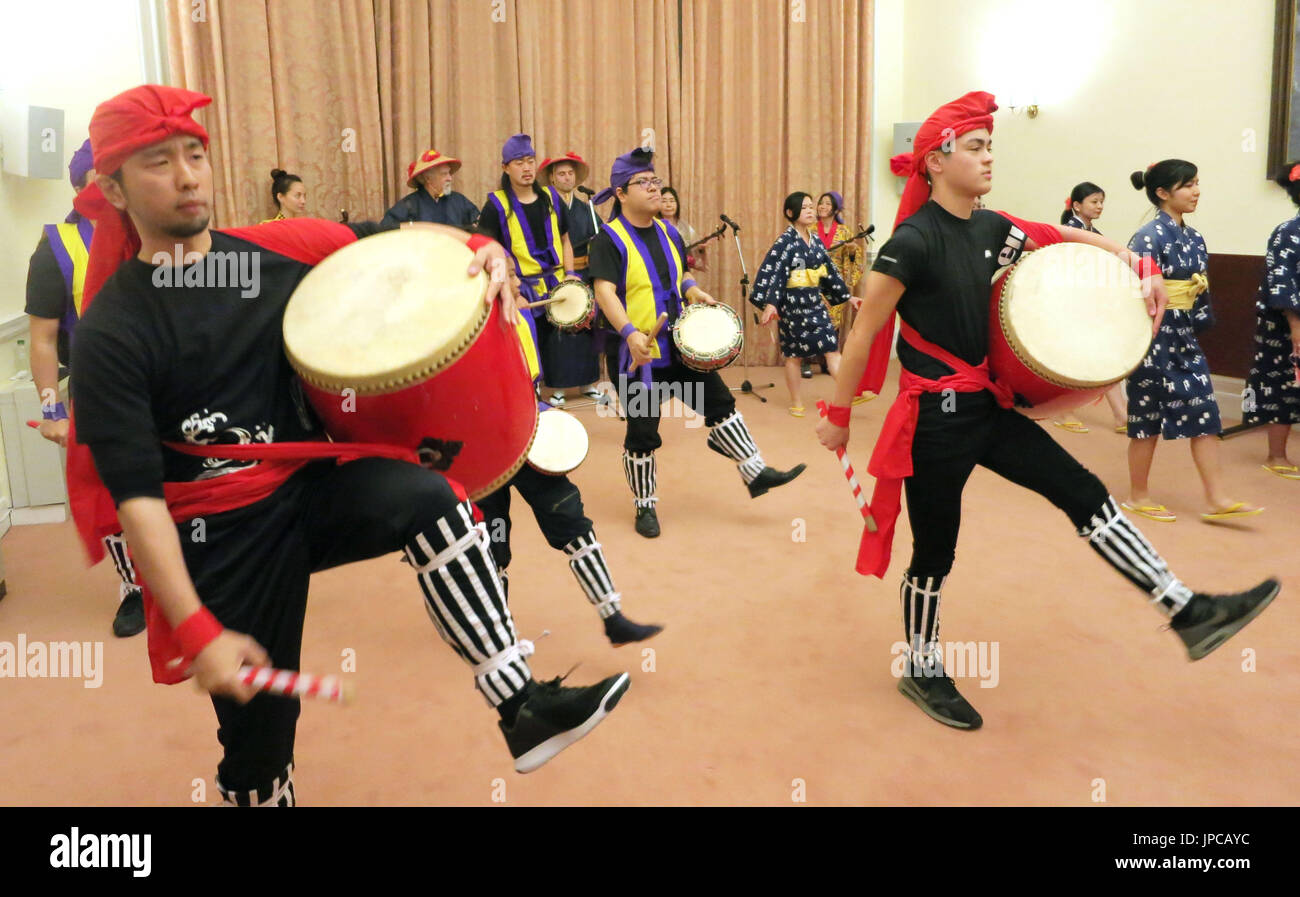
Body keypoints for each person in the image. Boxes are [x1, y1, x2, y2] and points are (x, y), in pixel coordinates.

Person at [67, 85, 630, 802]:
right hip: (220, 538)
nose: (186, 174)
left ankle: (520, 706)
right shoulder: (116, 330)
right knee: (261, 750)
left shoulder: (270, 255)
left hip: (306, 492)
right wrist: (196, 626)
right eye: (157, 162)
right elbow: (138, 497)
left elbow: (406, 246)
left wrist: (485, 250)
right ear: (112, 188)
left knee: (432, 494)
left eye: (195, 153)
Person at [815, 91, 1279, 730]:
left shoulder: (993, 227)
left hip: (987, 408)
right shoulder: (911, 243)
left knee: (1083, 490)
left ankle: (1185, 609)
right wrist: (838, 414)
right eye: (975, 146)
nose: (987, 157)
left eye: (988, 146)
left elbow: (1067, 234)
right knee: (934, 553)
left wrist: (1137, 263)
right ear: (935, 159)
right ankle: (920, 668)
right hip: (934, 421)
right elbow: (865, 331)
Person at [589, 147, 806, 538]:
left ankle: (755, 472)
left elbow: (676, 277)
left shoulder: (669, 232)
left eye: (656, 181)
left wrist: (694, 291)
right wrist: (630, 333)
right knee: (642, 433)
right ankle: (644, 505)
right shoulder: (607, 240)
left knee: (721, 403)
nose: (655, 189)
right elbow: (604, 292)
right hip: (638, 355)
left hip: (678, 344)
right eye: (645, 183)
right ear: (621, 193)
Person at [477, 273, 663, 646]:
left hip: (530, 437)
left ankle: (612, 616)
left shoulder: (525, 316)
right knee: (490, 541)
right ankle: (497, 633)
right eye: (507, 274)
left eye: (514, 273)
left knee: (572, 521)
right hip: (484, 452)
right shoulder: (464, 331)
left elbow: (573, 323)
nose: (516, 282)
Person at [24, 138, 144, 637]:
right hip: (98, 392)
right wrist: (52, 408)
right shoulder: (55, 246)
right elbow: (43, 337)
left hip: (164, 382)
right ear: (86, 184)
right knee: (108, 496)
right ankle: (135, 586)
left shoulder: (151, 230)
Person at [1123, 160, 1262, 523]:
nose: (1196, 191)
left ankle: (1216, 497)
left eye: (1197, 183)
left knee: (1205, 410)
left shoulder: (1195, 237)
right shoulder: (1146, 237)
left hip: (1182, 336)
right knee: (1146, 418)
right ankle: (1138, 495)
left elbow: (1198, 288)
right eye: (1187, 185)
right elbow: (1131, 293)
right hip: (1152, 337)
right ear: (1162, 193)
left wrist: (1198, 322)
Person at [478, 135, 577, 408]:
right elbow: (490, 253)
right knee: (526, 343)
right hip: (522, 287)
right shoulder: (496, 205)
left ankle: (560, 389)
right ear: (505, 168)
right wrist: (511, 290)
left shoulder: (550, 197)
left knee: (562, 342)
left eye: (530, 161)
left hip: (557, 282)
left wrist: (570, 276)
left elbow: (566, 239)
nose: (527, 168)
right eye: (519, 162)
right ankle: (529, 397)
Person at [750, 192, 852, 417]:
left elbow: (827, 272)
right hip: (792, 306)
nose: (810, 210)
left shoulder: (815, 240)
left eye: (810, 206)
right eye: (804, 207)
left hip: (815, 303)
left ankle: (848, 393)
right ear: (790, 213)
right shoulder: (785, 241)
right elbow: (774, 273)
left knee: (832, 348)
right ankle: (796, 401)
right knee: (794, 356)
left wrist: (847, 297)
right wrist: (771, 304)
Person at [1055, 181, 1127, 434]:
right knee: (1069, 357)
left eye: (1101, 202)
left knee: (1107, 357)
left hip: (1093, 302)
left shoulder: (1094, 233)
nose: (1100, 207)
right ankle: (1063, 410)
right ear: (1077, 205)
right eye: (1094, 202)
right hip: (1071, 301)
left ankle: (1121, 414)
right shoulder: (1067, 231)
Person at [1244, 162, 1300, 479]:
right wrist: (1295, 326)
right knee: (1284, 386)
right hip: (1286, 323)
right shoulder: (1287, 233)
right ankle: (1276, 454)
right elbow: (1282, 281)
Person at [537, 151, 603, 403]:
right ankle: (558, 387)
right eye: (561, 173)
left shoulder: (587, 208)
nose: (567, 177)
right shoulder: (545, 207)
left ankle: (588, 382)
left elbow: (600, 237)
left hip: (583, 274)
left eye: (570, 173)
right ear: (552, 178)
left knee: (585, 328)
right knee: (558, 331)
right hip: (555, 275)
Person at [811, 191, 866, 381]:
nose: (822, 206)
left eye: (827, 204)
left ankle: (827, 362)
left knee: (832, 322)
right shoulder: (809, 229)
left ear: (835, 209)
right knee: (809, 319)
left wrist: (851, 253)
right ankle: (805, 360)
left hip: (833, 283)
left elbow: (852, 259)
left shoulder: (844, 232)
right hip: (812, 282)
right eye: (821, 203)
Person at [380, 148, 479, 231]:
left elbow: (478, 221)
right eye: (444, 174)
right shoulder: (408, 205)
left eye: (449, 173)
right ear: (428, 179)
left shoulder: (459, 200)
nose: (450, 178)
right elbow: (384, 230)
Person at [659, 187, 711, 272]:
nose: (668, 205)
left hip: (682, 274)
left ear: (677, 204)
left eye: (672, 201)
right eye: (664, 201)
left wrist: (702, 249)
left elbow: (703, 267)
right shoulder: (653, 225)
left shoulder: (685, 228)